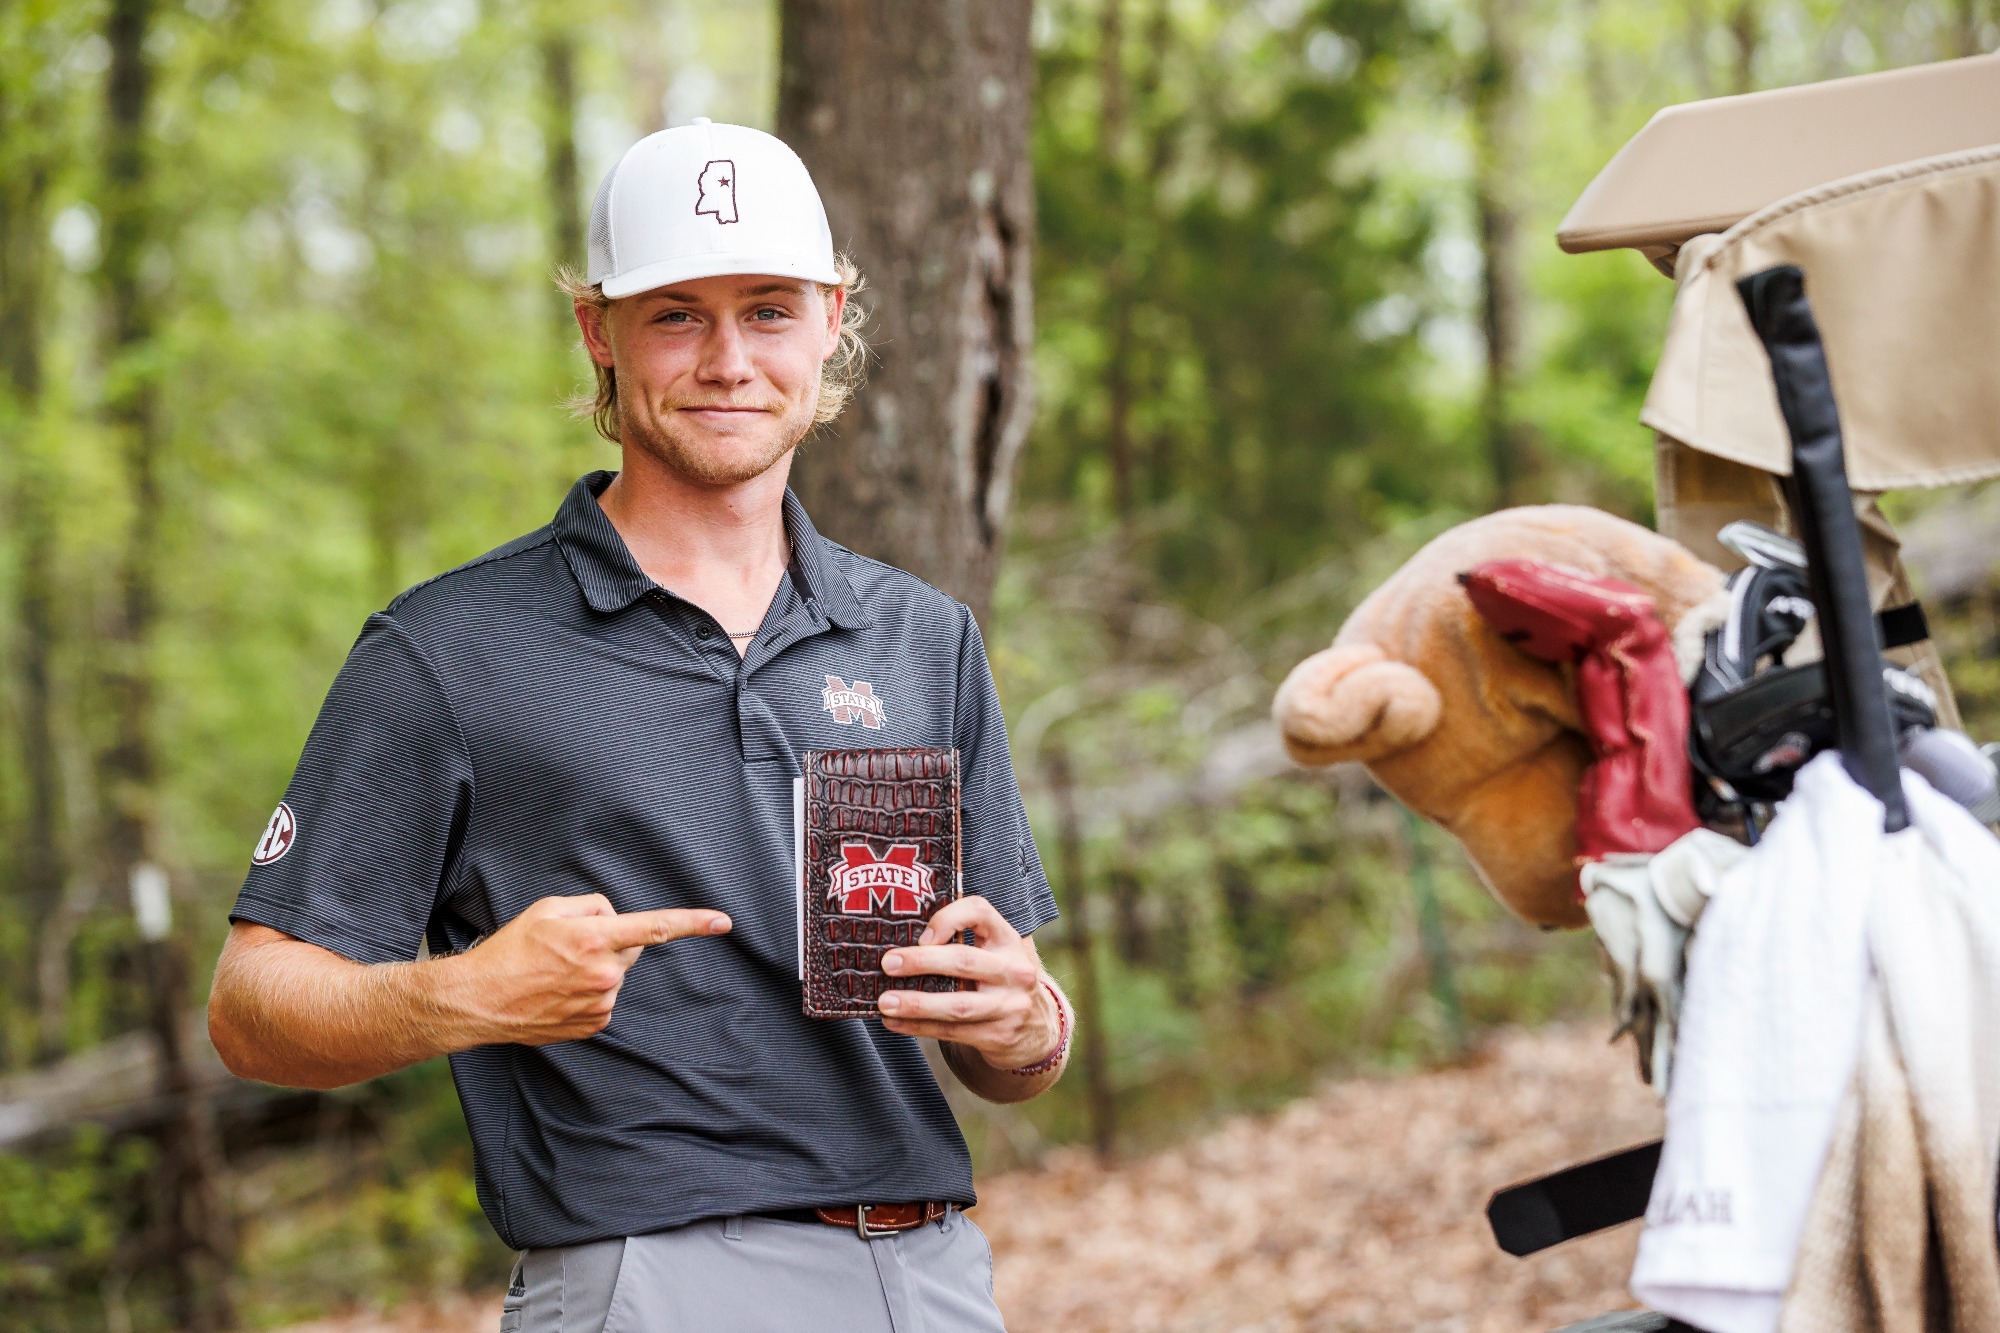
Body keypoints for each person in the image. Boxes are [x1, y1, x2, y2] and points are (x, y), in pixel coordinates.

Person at [208, 119, 1068, 1332]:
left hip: (926, 1271)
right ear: (597, 331)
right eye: (676, 314)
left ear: (831, 319)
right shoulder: (444, 651)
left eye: (767, 310)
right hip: (646, 1281)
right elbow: (251, 1008)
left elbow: (1006, 1050)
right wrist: (468, 995)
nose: (728, 359)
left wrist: (1030, 1022)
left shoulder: (921, 636)